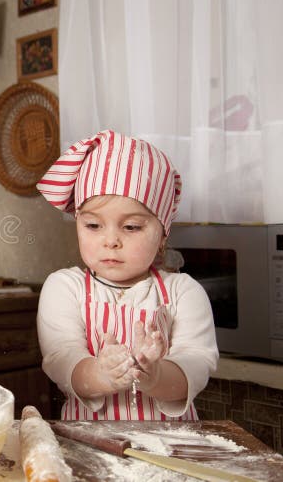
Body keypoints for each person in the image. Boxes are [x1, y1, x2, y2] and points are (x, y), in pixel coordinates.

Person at [35, 130, 218, 420]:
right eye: (94, 226)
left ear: (162, 235)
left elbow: (197, 362)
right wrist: (101, 375)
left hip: (172, 448)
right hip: (87, 446)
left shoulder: (183, 292)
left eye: (131, 227)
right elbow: (62, 358)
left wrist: (155, 376)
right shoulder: (64, 288)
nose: (111, 241)